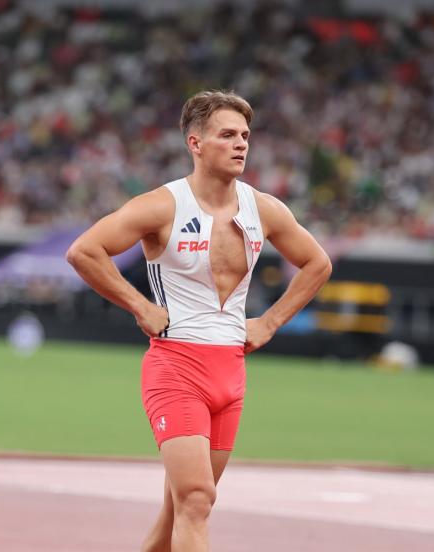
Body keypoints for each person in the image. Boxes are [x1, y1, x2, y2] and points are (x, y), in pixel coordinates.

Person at [66, 90, 332, 551]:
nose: (240, 144)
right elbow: (84, 251)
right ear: (195, 143)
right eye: (227, 135)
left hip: (230, 372)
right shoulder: (162, 205)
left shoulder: (262, 208)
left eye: (245, 136)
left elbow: (317, 264)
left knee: (183, 508)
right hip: (177, 367)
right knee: (195, 498)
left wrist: (269, 321)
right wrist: (140, 305)